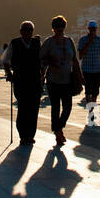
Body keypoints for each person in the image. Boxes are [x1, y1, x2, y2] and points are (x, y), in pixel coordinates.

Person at [39, 16, 80, 145]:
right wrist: (50, 62)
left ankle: (58, 127)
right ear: (53, 29)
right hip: (52, 80)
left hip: (67, 79)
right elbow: (40, 58)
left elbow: (75, 60)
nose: (59, 31)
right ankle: (57, 133)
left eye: (61, 28)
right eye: (57, 28)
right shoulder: (48, 42)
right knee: (55, 108)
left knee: (67, 107)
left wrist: (80, 76)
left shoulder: (69, 41)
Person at [4, 21, 44, 144]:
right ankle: (23, 135)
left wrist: (43, 74)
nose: (28, 32)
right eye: (25, 29)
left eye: (30, 29)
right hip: (20, 80)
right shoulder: (14, 43)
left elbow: (42, 60)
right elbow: (6, 59)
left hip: (35, 80)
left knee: (34, 108)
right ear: (21, 31)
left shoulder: (37, 43)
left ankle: (30, 135)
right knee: (23, 107)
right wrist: (9, 73)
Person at [77, 20, 100, 107]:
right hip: (86, 69)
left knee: (95, 91)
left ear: (96, 29)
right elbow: (80, 56)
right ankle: (90, 108)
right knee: (88, 90)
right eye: (91, 29)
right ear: (88, 29)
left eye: (94, 29)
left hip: (96, 69)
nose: (93, 31)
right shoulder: (82, 40)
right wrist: (89, 42)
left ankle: (92, 105)